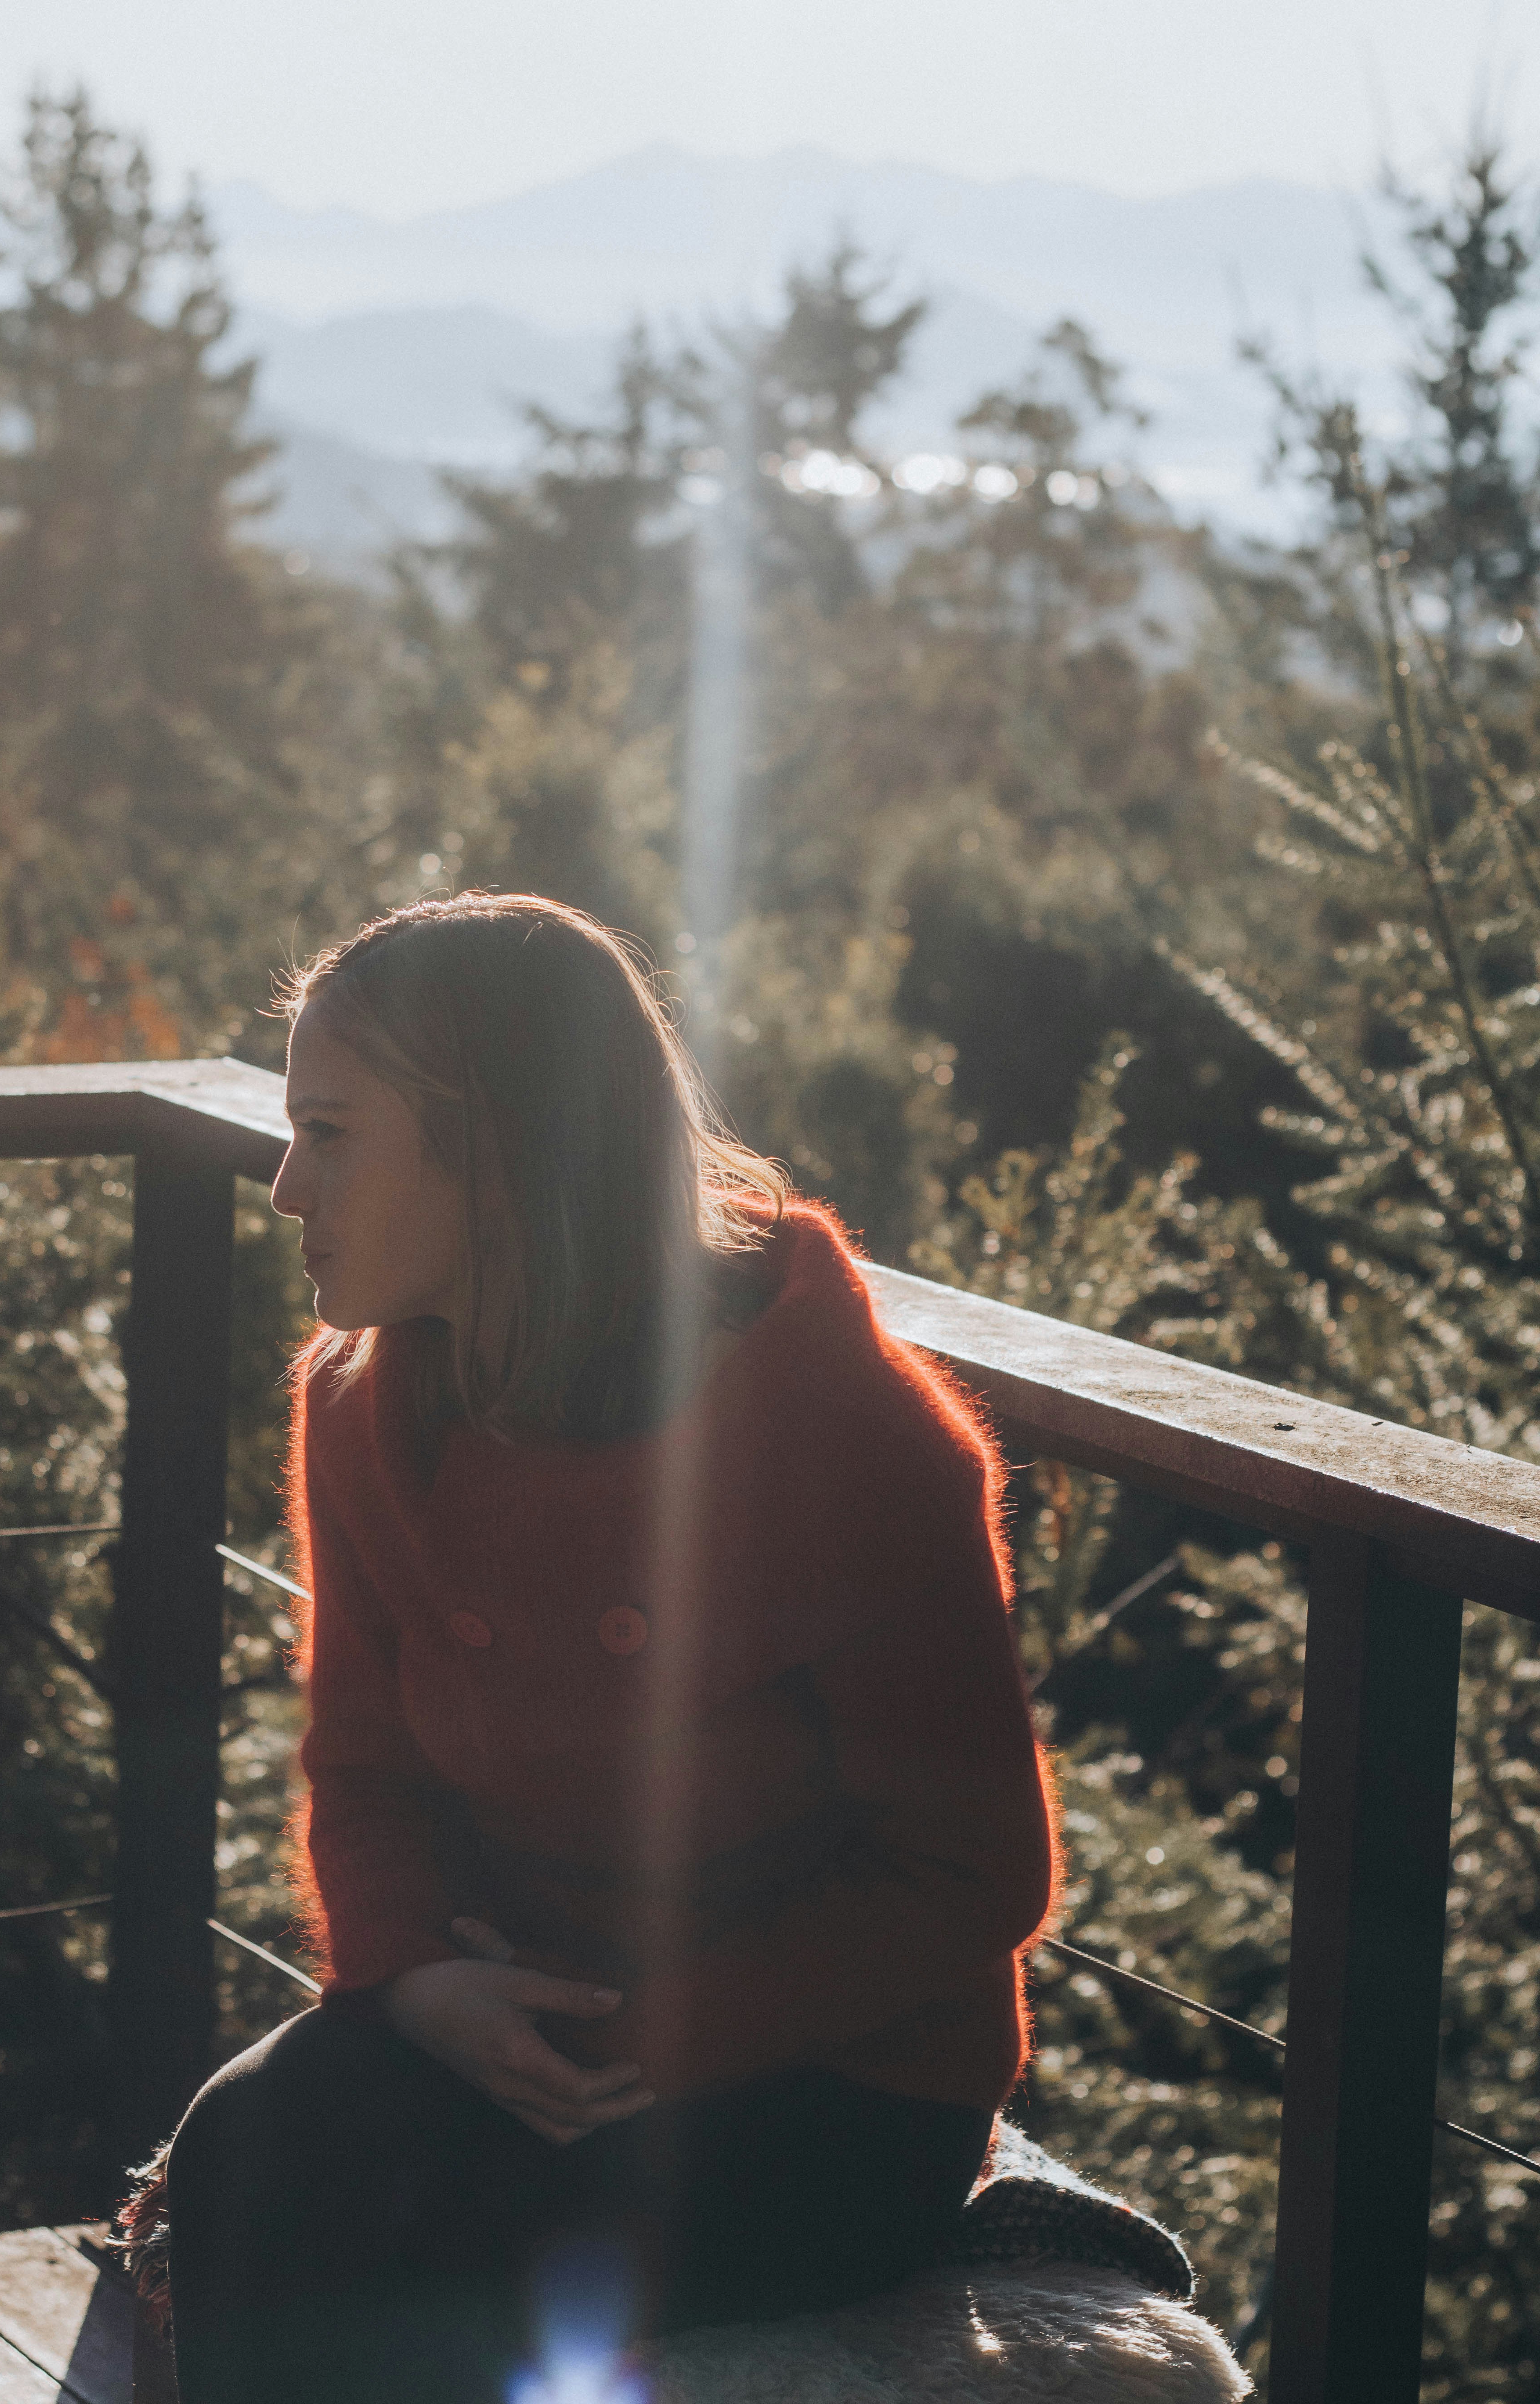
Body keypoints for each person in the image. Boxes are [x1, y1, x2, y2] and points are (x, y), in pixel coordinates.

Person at [159, 893, 1054, 2402]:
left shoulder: (845, 1438)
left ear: (494, 1147)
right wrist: (419, 1981)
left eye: (331, 1132)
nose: (283, 1190)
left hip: (819, 2080)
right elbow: (363, 1767)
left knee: (429, 2261)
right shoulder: (365, 1403)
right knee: (240, 2151)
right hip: (511, 2013)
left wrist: (629, 2035)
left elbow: (973, 1873)